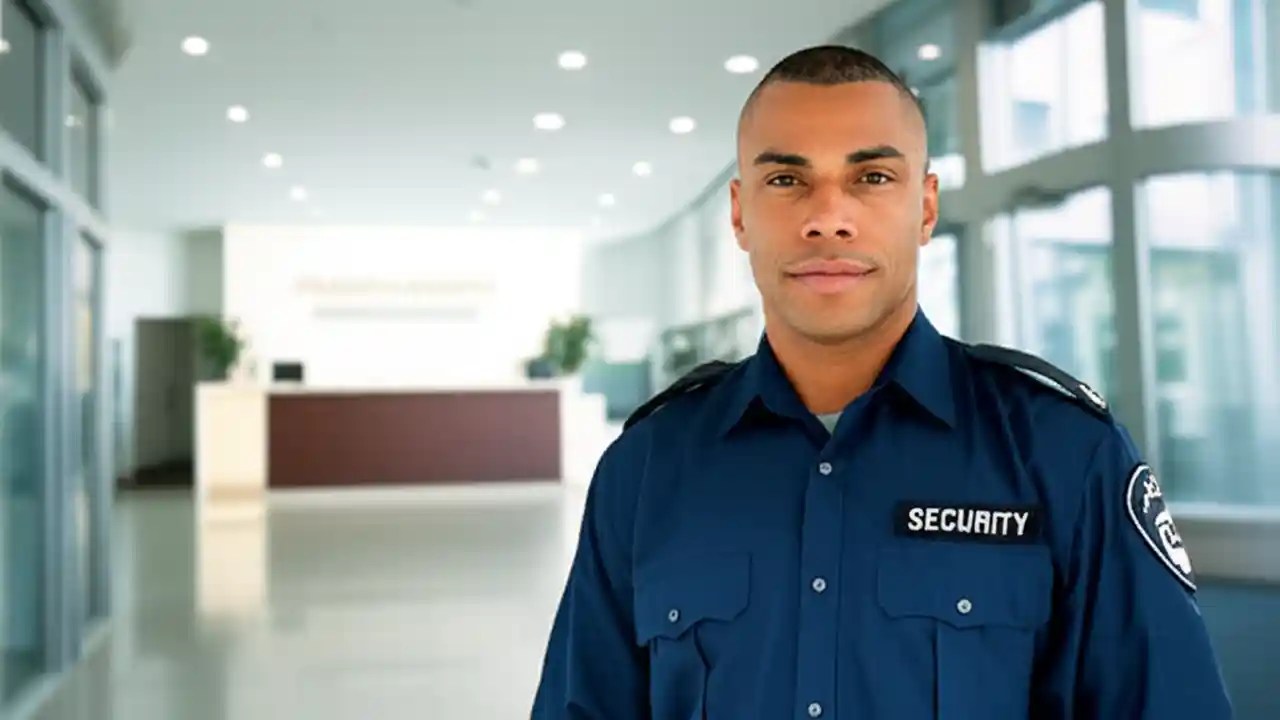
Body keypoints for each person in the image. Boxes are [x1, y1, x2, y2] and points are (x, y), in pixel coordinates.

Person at [530, 45, 1232, 719]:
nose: (827, 218)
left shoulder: (1064, 454)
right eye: (786, 180)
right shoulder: (647, 470)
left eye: (870, 178)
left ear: (925, 209)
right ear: (741, 214)